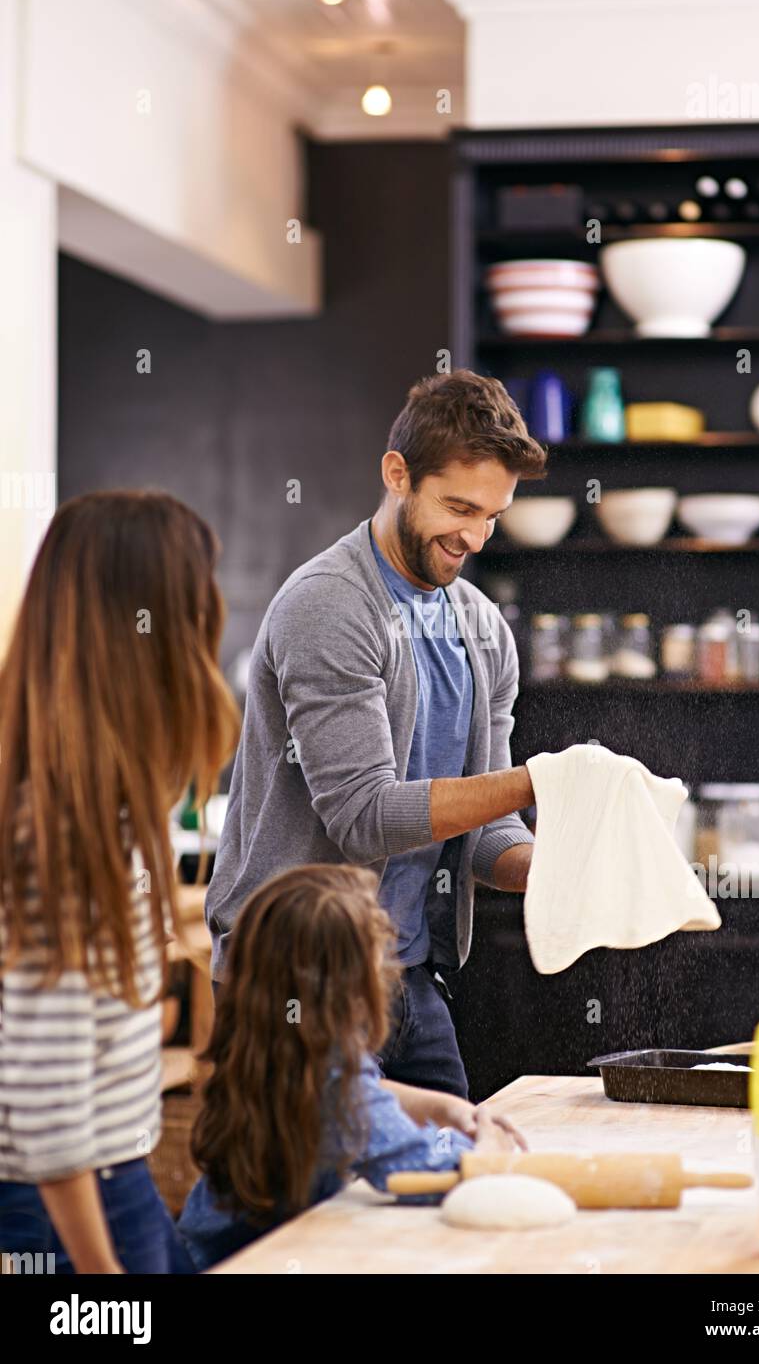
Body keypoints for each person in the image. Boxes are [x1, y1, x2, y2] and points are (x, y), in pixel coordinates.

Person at [205, 370, 549, 1097]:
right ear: (398, 474)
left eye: (494, 515)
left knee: (452, 1178)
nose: (476, 537)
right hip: (292, 977)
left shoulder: (483, 631)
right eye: (459, 507)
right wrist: (542, 780)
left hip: (406, 974)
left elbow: (489, 836)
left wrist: (573, 873)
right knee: (305, 1205)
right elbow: (364, 818)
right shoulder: (329, 607)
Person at [0, 491, 240, 1274]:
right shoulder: (62, 833)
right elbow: (44, 1108)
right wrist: (107, 1289)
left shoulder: (86, 806)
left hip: (107, 1187)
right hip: (67, 1214)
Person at [178, 864, 526, 1271]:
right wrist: (489, 1150)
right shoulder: (337, 1085)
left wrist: (443, 1109)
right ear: (356, 989)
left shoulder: (278, 1048)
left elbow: (357, 1093)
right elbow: (418, 1173)